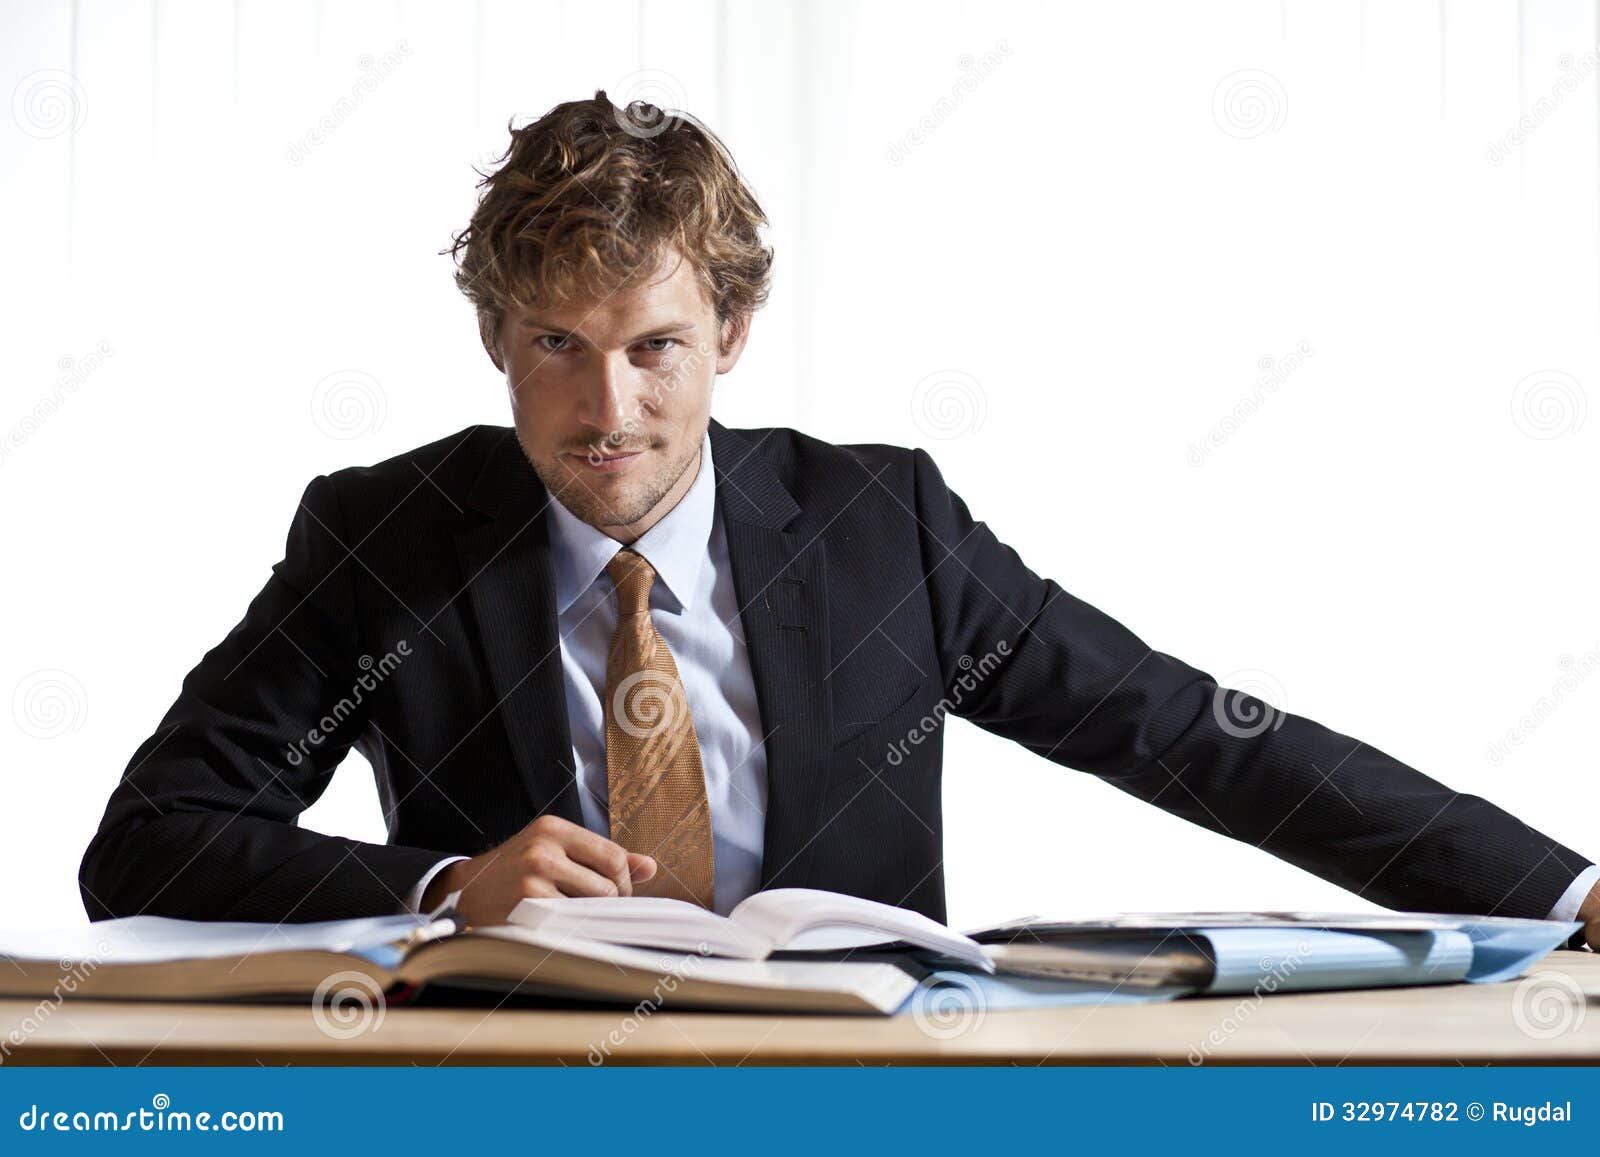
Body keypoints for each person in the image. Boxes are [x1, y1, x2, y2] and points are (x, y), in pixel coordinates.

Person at [79, 91, 1600, 947]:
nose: (608, 406)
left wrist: (1563, 892)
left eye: (655, 345)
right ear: (496, 342)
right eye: (557, 344)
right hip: (509, 1096)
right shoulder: (386, 535)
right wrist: (440, 887)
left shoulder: (882, 526)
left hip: (857, 1094)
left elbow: (1191, 731)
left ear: (730, 334)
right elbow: (150, 842)